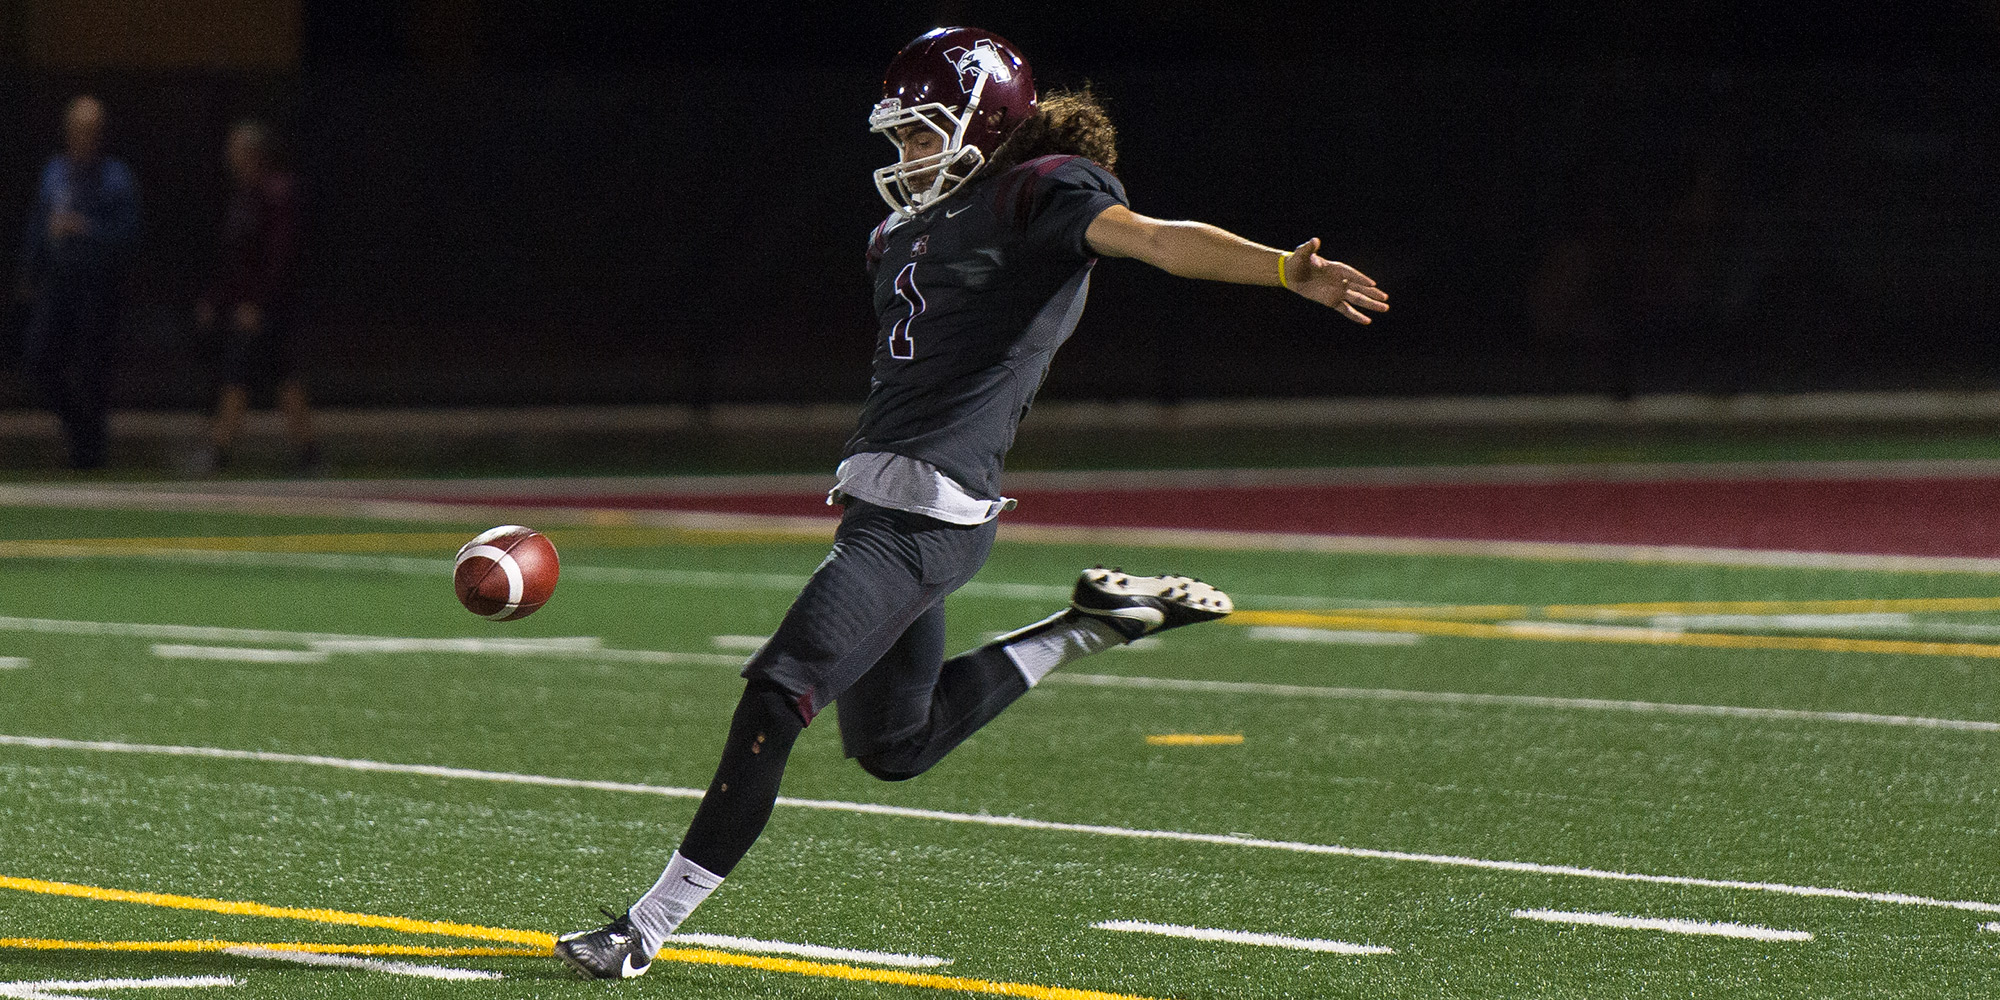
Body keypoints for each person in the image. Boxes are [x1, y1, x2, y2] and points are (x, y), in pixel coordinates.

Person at [553, 27, 1388, 980]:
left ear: (987, 123)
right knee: (895, 747)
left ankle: (644, 928)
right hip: (884, 507)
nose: (906, 156)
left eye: (922, 133)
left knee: (776, 696)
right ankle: (1094, 624)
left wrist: (1285, 269)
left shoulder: (1041, 191)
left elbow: (1156, 242)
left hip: (926, 522)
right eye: (899, 138)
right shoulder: (895, 234)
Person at [16, 95, 140, 470]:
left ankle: (91, 453)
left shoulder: (116, 178)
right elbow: (40, 221)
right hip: (57, 284)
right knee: (39, 359)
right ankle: (80, 432)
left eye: (92, 130)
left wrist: (86, 229)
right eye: (78, 129)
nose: (85, 136)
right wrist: (28, 269)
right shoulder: (54, 172)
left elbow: (130, 234)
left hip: (97, 287)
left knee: (92, 369)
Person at [193, 120, 320, 475]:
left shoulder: (278, 194)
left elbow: (279, 257)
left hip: (267, 308)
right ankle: (309, 452)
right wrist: (215, 299)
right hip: (248, 305)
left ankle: (218, 452)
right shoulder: (244, 196)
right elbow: (234, 258)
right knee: (283, 377)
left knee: (241, 375)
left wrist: (258, 303)